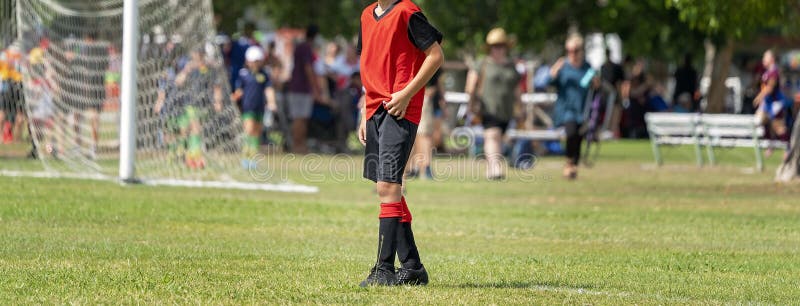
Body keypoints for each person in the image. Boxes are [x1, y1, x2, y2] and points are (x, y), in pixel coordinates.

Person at [356, 0, 443, 287]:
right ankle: (412, 266)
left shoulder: (408, 12)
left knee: (388, 186)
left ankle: (384, 269)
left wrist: (406, 94)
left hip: (400, 109)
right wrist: (363, 112)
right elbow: (368, 67)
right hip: (374, 110)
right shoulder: (367, 15)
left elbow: (435, 55)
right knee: (386, 186)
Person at [466, 28, 522, 180]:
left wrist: (520, 107)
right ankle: (496, 168)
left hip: (506, 109)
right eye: (495, 46)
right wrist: (471, 103)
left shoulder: (511, 66)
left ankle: (491, 167)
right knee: (492, 135)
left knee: (499, 137)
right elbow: (471, 84)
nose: (498, 49)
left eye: (501, 46)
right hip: (487, 107)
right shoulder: (482, 63)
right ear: (490, 48)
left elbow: (516, 89)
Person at [550, 33, 599, 180]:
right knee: (571, 133)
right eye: (569, 50)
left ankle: (573, 166)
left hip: (582, 108)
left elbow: (595, 88)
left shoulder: (587, 67)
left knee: (578, 136)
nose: (572, 53)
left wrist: (597, 84)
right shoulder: (563, 66)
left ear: (581, 50)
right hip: (566, 108)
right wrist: (553, 73)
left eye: (576, 50)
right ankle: (569, 162)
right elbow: (549, 82)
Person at [231, 47, 277, 169]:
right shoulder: (243, 74)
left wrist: (272, 102)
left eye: (257, 61)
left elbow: (268, 89)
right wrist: (233, 99)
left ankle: (253, 158)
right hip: (248, 107)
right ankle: (246, 157)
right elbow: (239, 91)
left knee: (257, 132)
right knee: (249, 130)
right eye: (253, 61)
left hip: (260, 107)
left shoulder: (264, 74)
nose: (255, 63)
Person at [287, 25, 322, 154]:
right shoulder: (306, 48)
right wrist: (315, 88)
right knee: (299, 118)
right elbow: (308, 69)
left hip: (298, 88)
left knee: (302, 118)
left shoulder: (301, 47)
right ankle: (297, 146)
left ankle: (300, 145)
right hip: (300, 88)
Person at [406, 69, 443, 179]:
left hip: (423, 99)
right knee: (421, 135)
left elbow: (436, 84)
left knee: (423, 134)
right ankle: (418, 167)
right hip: (419, 98)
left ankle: (421, 167)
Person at [754, 49, 791, 157]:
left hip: (776, 103)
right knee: (760, 121)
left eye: (765, 57)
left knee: (778, 127)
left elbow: (770, 88)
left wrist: (759, 97)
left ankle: (788, 148)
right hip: (767, 103)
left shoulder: (774, 71)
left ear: (772, 59)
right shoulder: (766, 71)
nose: (763, 60)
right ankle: (770, 145)